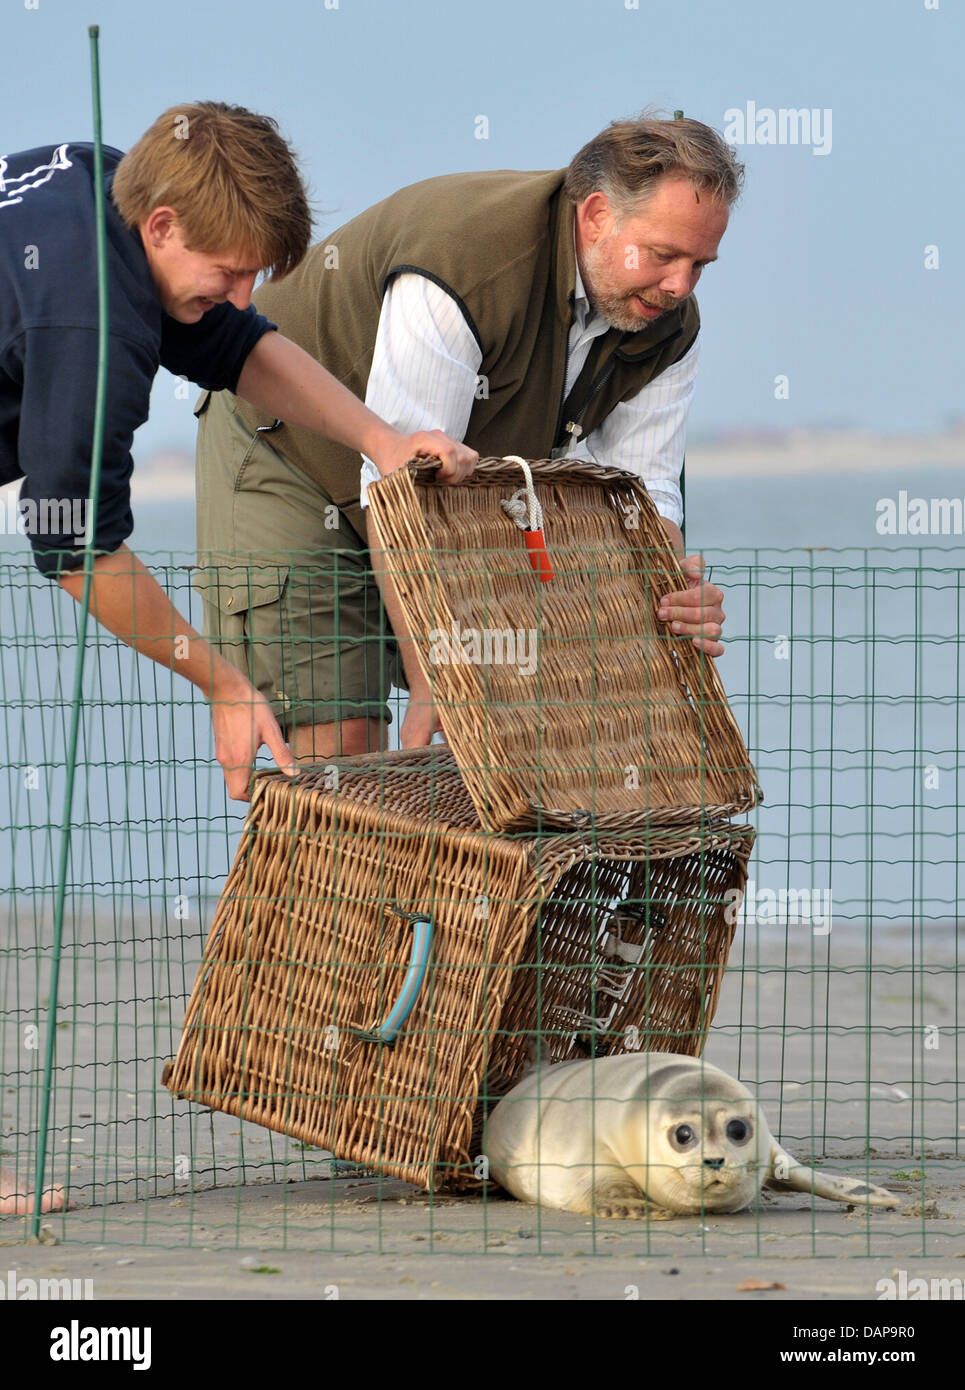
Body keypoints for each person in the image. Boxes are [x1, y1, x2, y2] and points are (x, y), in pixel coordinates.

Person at [194, 113, 742, 758]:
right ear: (596, 216)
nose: (680, 285)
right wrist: (432, 680)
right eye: (662, 255)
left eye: (700, 264)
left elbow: (638, 502)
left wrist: (666, 596)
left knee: (490, 740)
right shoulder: (466, 264)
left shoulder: (669, 323)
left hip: (450, 498)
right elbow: (400, 484)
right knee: (342, 753)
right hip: (288, 452)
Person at [0, 102, 477, 800]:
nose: (242, 294)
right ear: (161, 226)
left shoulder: (109, 183)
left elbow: (239, 345)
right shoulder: (96, 327)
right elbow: (75, 547)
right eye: (229, 272)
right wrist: (223, 683)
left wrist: (386, 442)